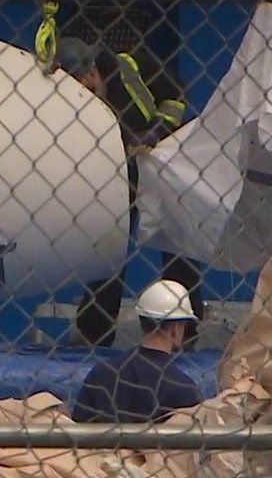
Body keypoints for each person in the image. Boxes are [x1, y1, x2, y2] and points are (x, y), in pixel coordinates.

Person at [55, 37, 203, 347]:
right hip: (123, 169)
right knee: (111, 243)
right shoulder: (73, 102)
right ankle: (94, 332)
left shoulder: (130, 67)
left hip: (167, 159)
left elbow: (176, 96)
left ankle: (184, 331)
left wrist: (157, 131)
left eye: (87, 83)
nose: (86, 91)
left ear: (93, 70)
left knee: (177, 243)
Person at [71, 279, 202, 423]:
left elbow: (79, 425)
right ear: (176, 329)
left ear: (142, 321)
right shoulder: (183, 387)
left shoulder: (101, 373)